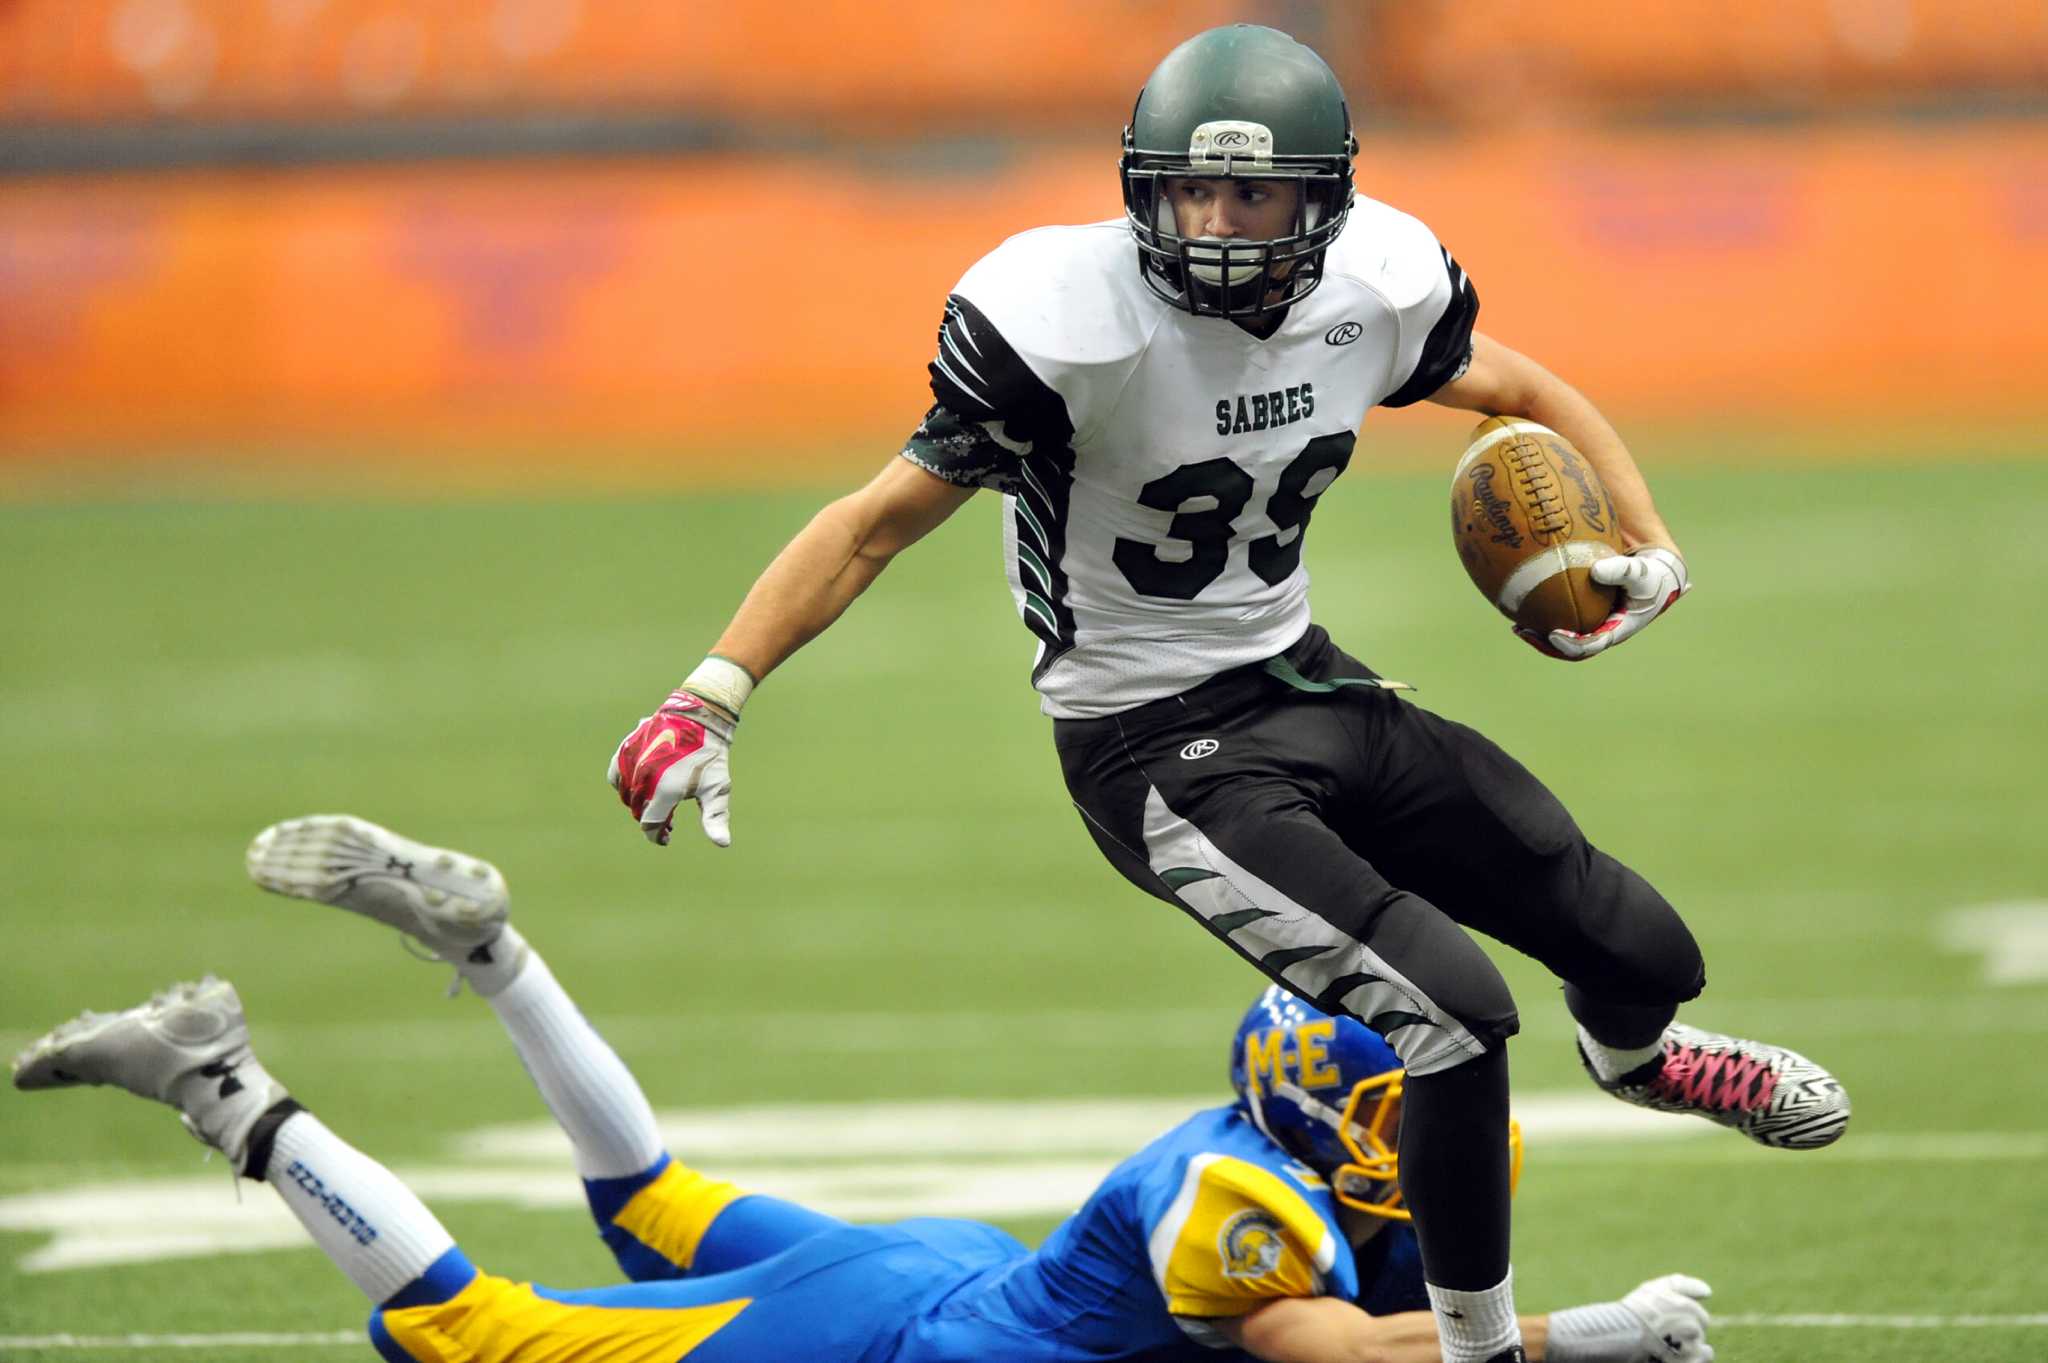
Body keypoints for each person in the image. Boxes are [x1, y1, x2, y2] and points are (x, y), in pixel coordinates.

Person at [604, 23, 1848, 1363]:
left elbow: (1526, 391)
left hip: (1298, 672)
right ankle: (1479, 1350)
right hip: (1149, 745)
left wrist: (1643, 545)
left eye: (1250, 193)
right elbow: (872, 523)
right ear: (1144, 187)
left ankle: (1638, 1057)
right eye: (1191, 190)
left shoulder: (1377, 281)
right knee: (1451, 1010)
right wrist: (712, 693)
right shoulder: (1063, 323)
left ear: (1323, 202)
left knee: (1635, 941)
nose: (1214, 222)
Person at [12, 816, 1715, 1363]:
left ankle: (490, 956)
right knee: (478, 1337)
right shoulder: (1247, 1202)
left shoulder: (1292, 1174)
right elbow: (1342, 1358)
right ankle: (224, 1086)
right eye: (1411, 1109)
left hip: (951, 1285)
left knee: (654, 1210)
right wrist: (1591, 1334)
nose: (1441, 1131)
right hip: (899, 1343)